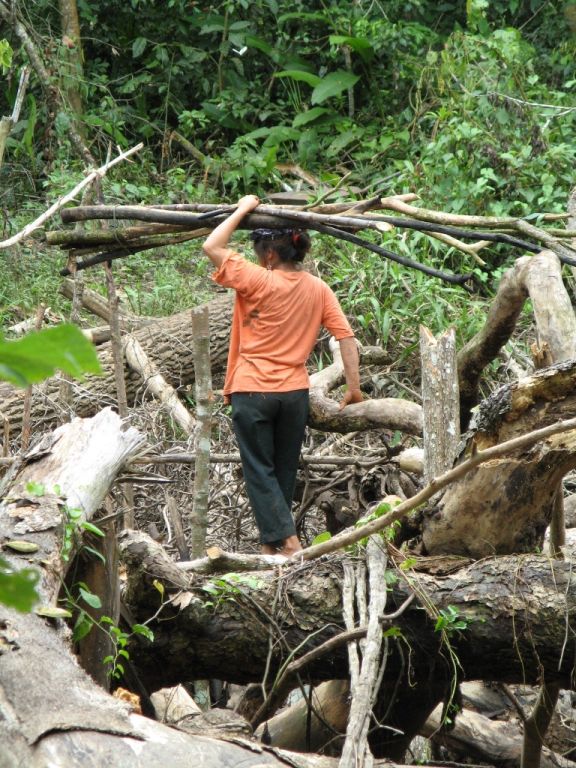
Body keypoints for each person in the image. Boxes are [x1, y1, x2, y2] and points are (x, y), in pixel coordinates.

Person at [203, 194, 363, 557]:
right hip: (293, 395)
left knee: (259, 472)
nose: (259, 257)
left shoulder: (258, 280)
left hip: (253, 391)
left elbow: (212, 244)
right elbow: (347, 338)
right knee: (282, 473)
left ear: (270, 254)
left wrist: (242, 209)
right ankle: (269, 550)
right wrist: (354, 387)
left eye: (259, 251)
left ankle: (290, 545)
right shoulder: (319, 289)